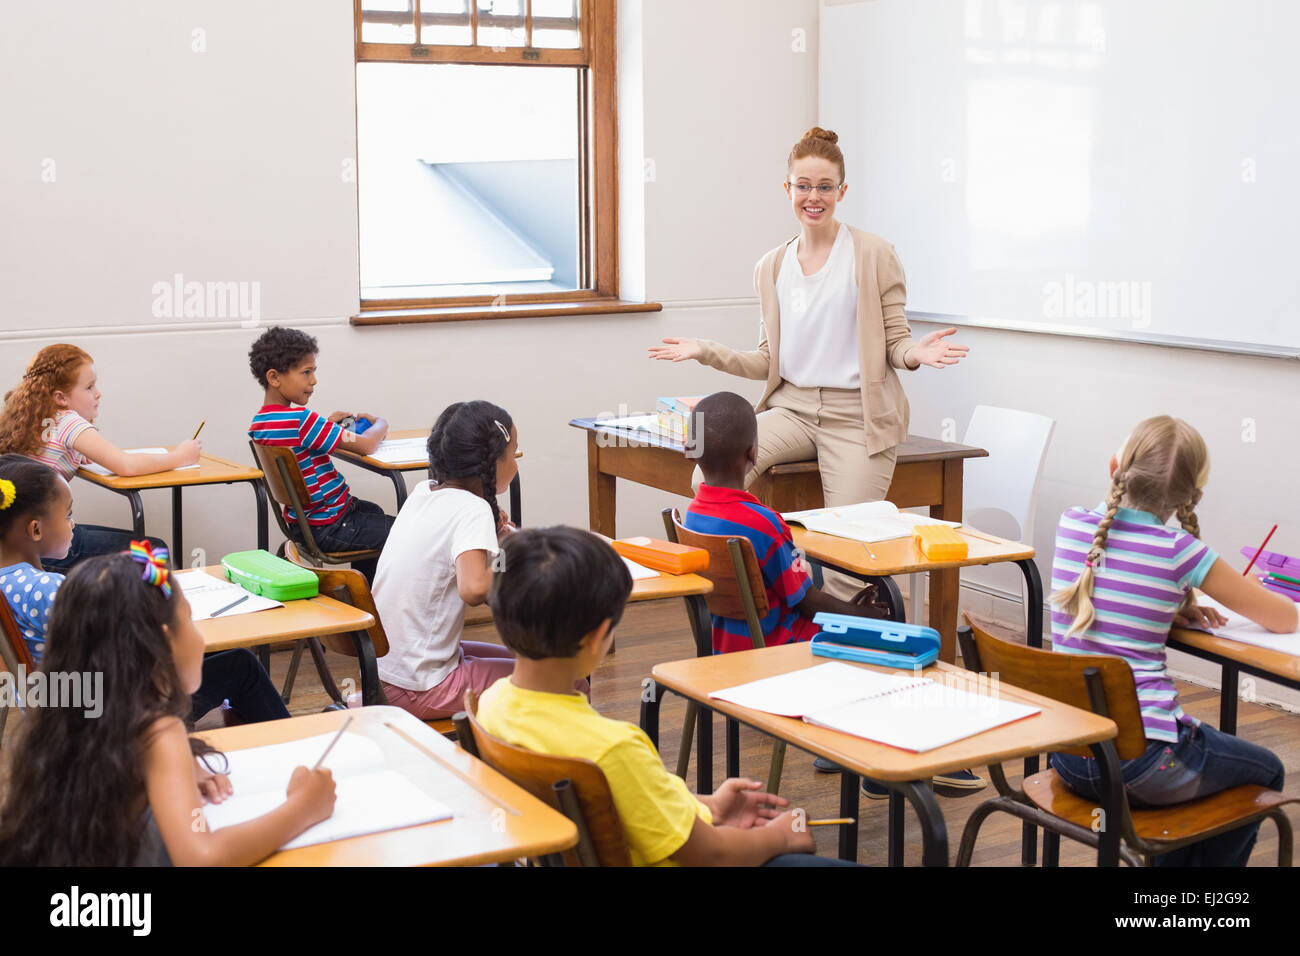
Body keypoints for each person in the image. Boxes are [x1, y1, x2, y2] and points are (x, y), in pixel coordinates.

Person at [649, 126, 968, 603]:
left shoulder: (874, 254)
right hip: (792, 410)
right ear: (787, 189)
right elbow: (767, 362)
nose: (813, 197)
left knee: (852, 553)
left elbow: (897, 342)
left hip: (858, 418)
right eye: (803, 185)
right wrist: (704, 349)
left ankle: (844, 645)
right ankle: (761, 595)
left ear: (842, 191)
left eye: (824, 187)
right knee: (704, 481)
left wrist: (916, 354)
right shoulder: (772, 267)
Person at [475, 525, 861, 866]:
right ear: (598, 637)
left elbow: (628, 805)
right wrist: (780, 836)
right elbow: (712, 855)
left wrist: (706, 806)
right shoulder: (615, 749)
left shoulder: (491, 705)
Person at [1049, 415, 1297, 866]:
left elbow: (1120, 589)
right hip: (1144, 765)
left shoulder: (1072, 526)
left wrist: (1177, 606)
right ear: (1193, 496)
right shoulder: (1183, 552)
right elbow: (1283, 619)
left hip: (1069, 754)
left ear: (1115, 468)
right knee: (1266, 770)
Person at [0, 550, 336, 865]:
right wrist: (302, 807)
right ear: (164, 643)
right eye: (190, 620)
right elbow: (201, 857)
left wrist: (179, 771)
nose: (201, 637)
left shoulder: (70, 718)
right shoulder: (158, 732)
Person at [0, 454, 290, 726]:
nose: (73, 524)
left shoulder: (15, 583)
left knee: (222, 658)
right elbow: (128, 641)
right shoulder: (45, 590)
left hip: (70, 711)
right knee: (241, 666)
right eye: (68, 515)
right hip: (112, 714)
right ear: (35, 530)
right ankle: (290, 747)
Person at [372, 401, 538, 720]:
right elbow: (474, 588)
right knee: (565, 682)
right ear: (493, 463)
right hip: (421, 687)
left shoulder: (424, 492)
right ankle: (522, 763)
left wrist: (498, 536)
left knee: (532, 663)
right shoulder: (471, 509)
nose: (515, 462)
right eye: (513, 452)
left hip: (383, 672)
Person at [0, 344, 182, 571]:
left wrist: (74, 456)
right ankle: (152, 607)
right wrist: (179, 456)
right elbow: (126, 465)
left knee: (144, 544)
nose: (98, 393)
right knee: (153, 552)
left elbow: (47, 455)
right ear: (61, 397)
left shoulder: (29, 420)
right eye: (89, 387)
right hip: (46, 544)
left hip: (17, 541)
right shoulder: (67, 420)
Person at [247, 326, 392, 582]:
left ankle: (367, 595)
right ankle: (369, 600)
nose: (313, 380)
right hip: (332, 525)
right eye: (306, 372)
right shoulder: (303, 420)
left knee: (375, 511)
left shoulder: (260, 424)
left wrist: (325, 426)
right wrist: (380, 423)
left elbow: (299, 439)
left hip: (303, 525)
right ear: (274, 377)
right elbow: (366, 445)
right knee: (405, 529)